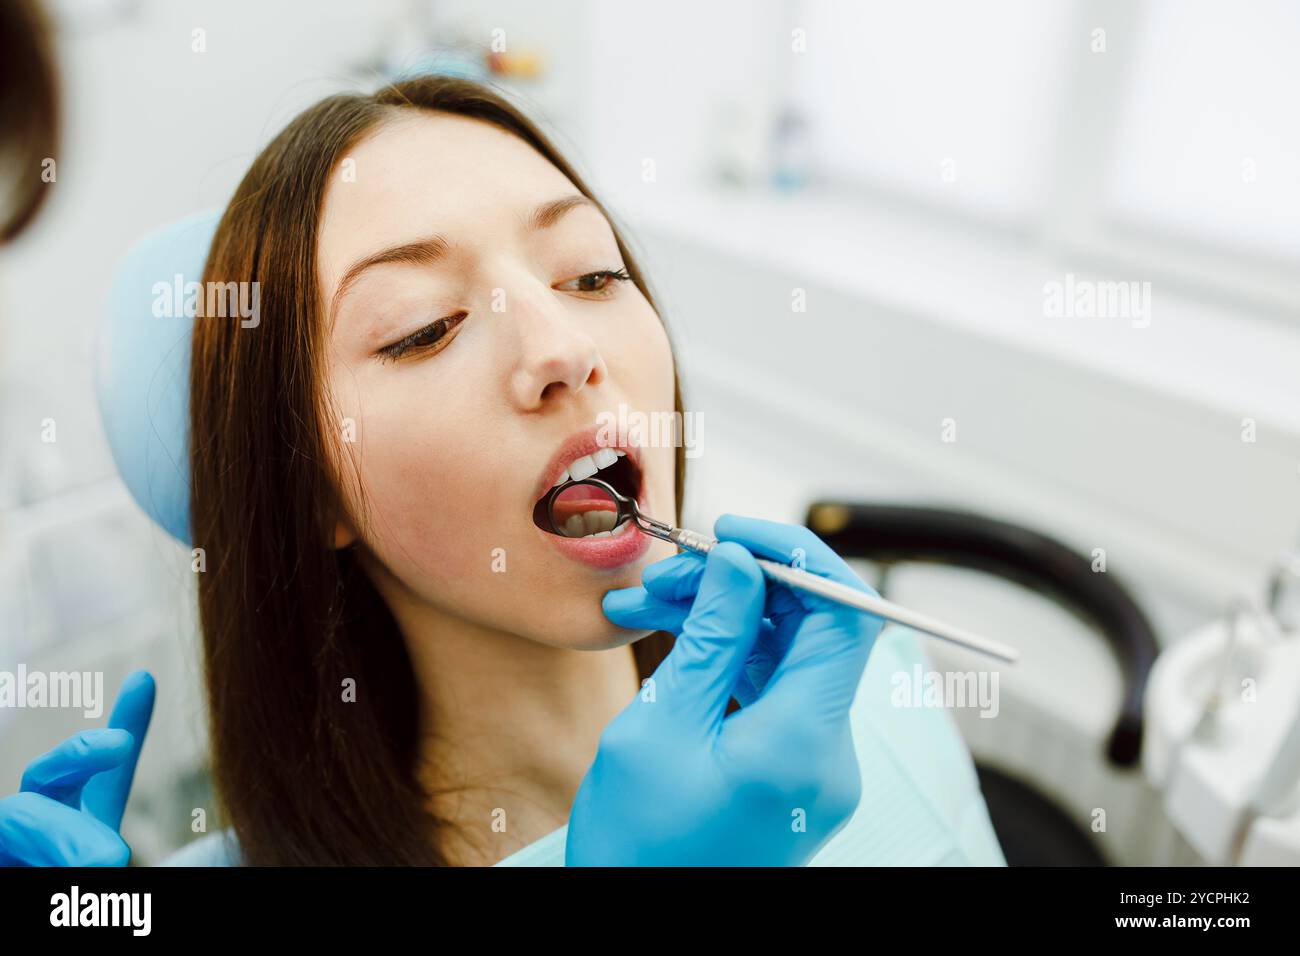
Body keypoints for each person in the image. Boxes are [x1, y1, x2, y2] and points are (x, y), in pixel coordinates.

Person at [2, 73, 1005, 867]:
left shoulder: (857, 682)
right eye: (424, 329)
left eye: (590, 272)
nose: (561, 343)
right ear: (311, 487)